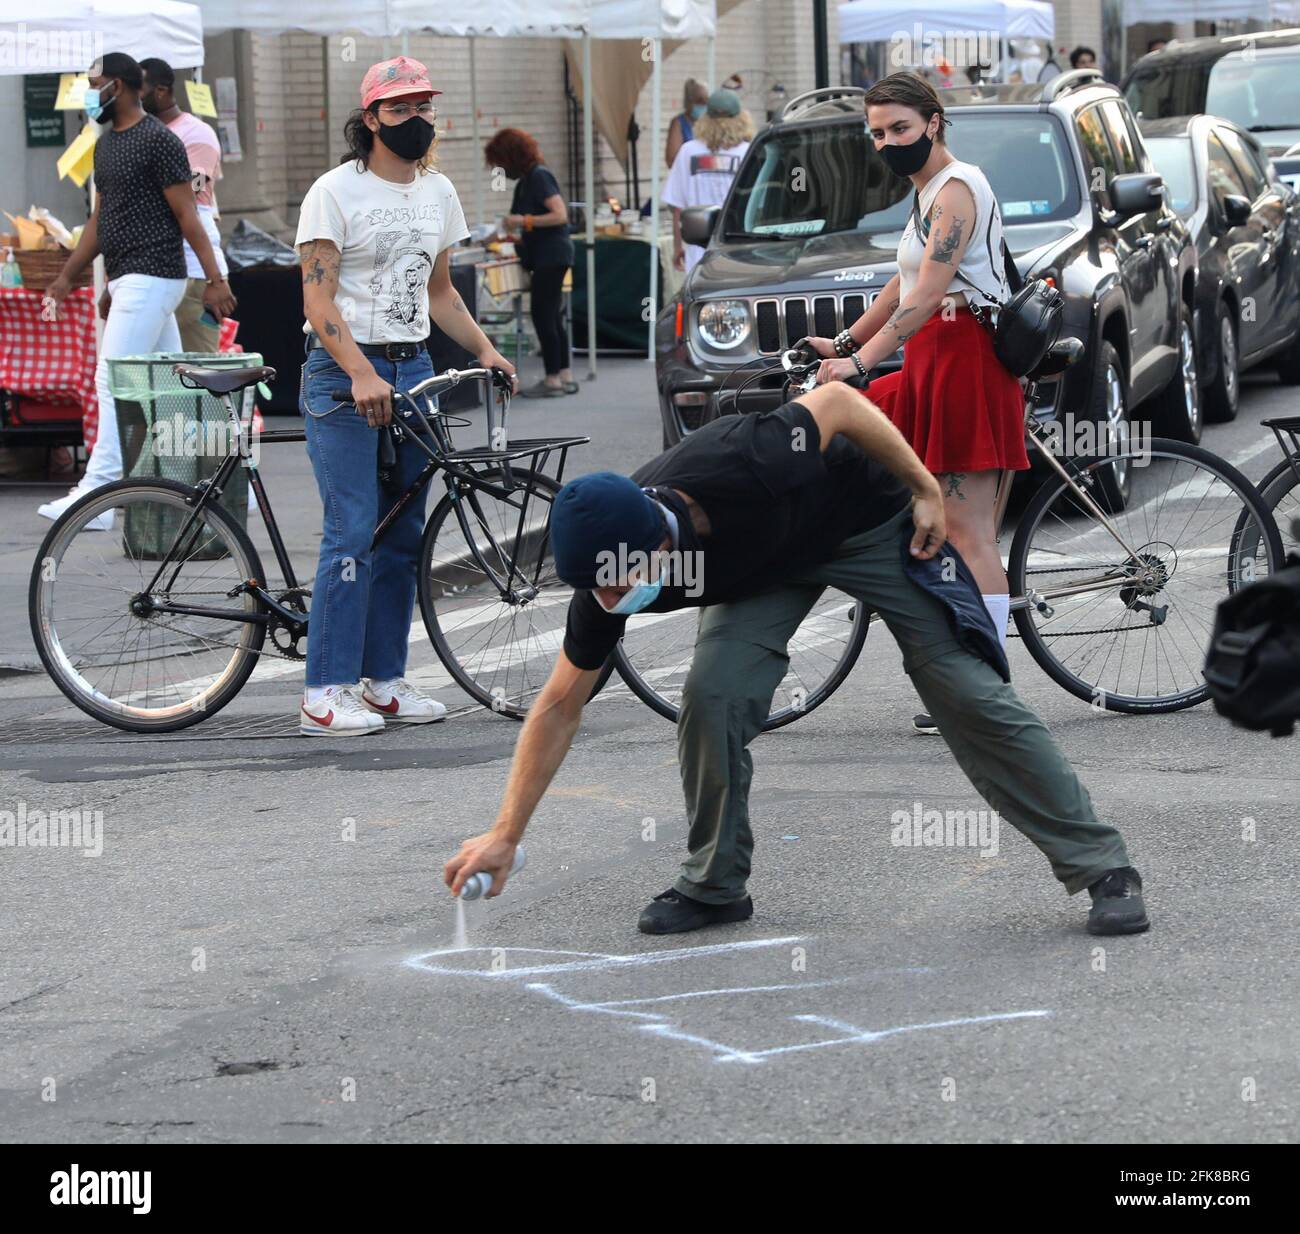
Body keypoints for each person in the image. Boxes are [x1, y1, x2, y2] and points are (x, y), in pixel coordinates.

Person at [443, 382, 1150, 939]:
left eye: (620, 580)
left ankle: (1103, 867)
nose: (612, 597)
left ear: (659, 543)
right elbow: (560, 704)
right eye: (597, 588)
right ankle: (714, 884)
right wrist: (505, 835)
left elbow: (840, 403)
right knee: (714, 694)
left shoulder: (744, 460)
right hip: (762, 572)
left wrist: (926, 488)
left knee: (964, 689)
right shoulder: (608, 580)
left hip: (859, 522)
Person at [295, 56, 517, 737]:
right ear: (370, 119)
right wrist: (361, 371)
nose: (415, 119)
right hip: (342, 376)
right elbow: (316, 294)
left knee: (404, 535)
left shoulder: (438, 192)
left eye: (423, 107)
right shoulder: (333, 192)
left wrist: (484, 349)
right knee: (353, 530)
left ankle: (384, 679)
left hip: (415, 368)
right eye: (398, 109)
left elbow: (440, 291)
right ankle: (325, 689)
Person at [804, 72, 1025, 738]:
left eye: (899, 128)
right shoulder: (925, 191)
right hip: (935, 360)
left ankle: (986, 686)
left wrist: (862, 363)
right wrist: (843, 341)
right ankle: (929, 617)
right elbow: (899, 285)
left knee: (966, 530)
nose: (887, 142)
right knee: (857, 450)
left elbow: (928, 296)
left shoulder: (956, 189)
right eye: (876, 133)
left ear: (933, 122)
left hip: (964, 363)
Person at [38, 52, 235, 528]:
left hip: (155, 276)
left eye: (96, 83)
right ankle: (189, 487)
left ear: (122, 86)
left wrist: (216, 279)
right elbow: (100, 220)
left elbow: (189, 215)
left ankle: (97, 495)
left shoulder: (159, 141)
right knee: (168, 388)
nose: (90, 93)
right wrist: (69, 278)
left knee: (112, 379)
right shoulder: (107, 146)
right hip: (132, 278)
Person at [140, 58, 228, 352]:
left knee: (198, 369)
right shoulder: (143, 133)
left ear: (162, 91)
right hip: (159, 267)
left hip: (193, 269)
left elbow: (194, 187)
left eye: (138, 89)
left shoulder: (196, 133)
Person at [484, 128, 575, 398]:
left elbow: (560, 215)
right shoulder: (526, 181)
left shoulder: (539, 176)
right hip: (547, 255)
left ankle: (553, 378)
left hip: (552, 255)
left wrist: (525, 221)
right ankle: (564, 374)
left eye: (502, 163)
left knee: (543, 315)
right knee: (553, 316)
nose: (501, 170)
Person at [662, 88, 754, 273]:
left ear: (705, 120)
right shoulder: (749, 152)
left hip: (699, 254)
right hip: (741, 250)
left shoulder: (688, 152)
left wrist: (678, 247)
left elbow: (678, 207)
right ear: (741, 119)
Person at [665, 78, 710, 170]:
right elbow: (671, 160)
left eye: (707, 101)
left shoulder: (710, 123)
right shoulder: (679, 123)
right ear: (689, 102)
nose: (704, 105)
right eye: (700, 101)